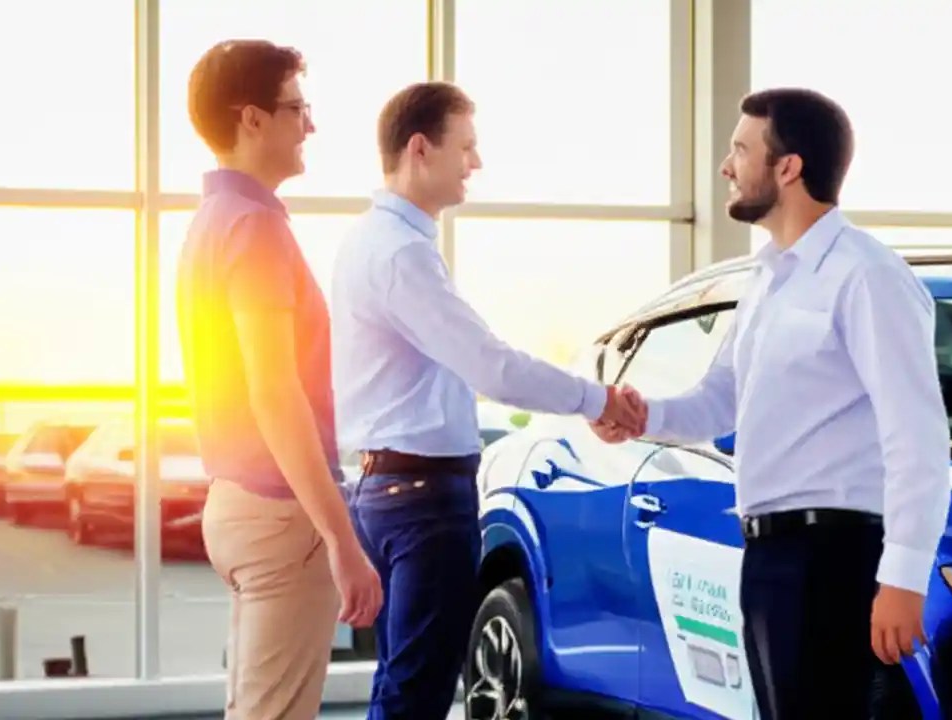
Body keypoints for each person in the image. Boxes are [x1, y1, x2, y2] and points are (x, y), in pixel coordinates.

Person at [594, 88, 951, 718]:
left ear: (788, 167)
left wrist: (903, 578)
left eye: (740, 149)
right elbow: (720, 401)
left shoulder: (867, 276)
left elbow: (917, 436)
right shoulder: (766, 279)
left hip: (835, 560)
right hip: (769, 555)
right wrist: (642, 414)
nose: (727, 166)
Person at [329, 81, 646, 720]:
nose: (475, 163)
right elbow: (490, 366)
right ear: (421, 148)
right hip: (420, 501)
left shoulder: (378, 241)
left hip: (391, 491)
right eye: (466, 147)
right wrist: (596, 398)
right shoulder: (399, 254)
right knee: (416, 690)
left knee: (400, 682)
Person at [177, 39, 382, 720]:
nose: (310, 126)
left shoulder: (211, 222)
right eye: (297, 107)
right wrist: (341, 541)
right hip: (278, 512)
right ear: (252, 120)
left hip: (236, 505)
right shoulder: (255, 227)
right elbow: (274, 393)